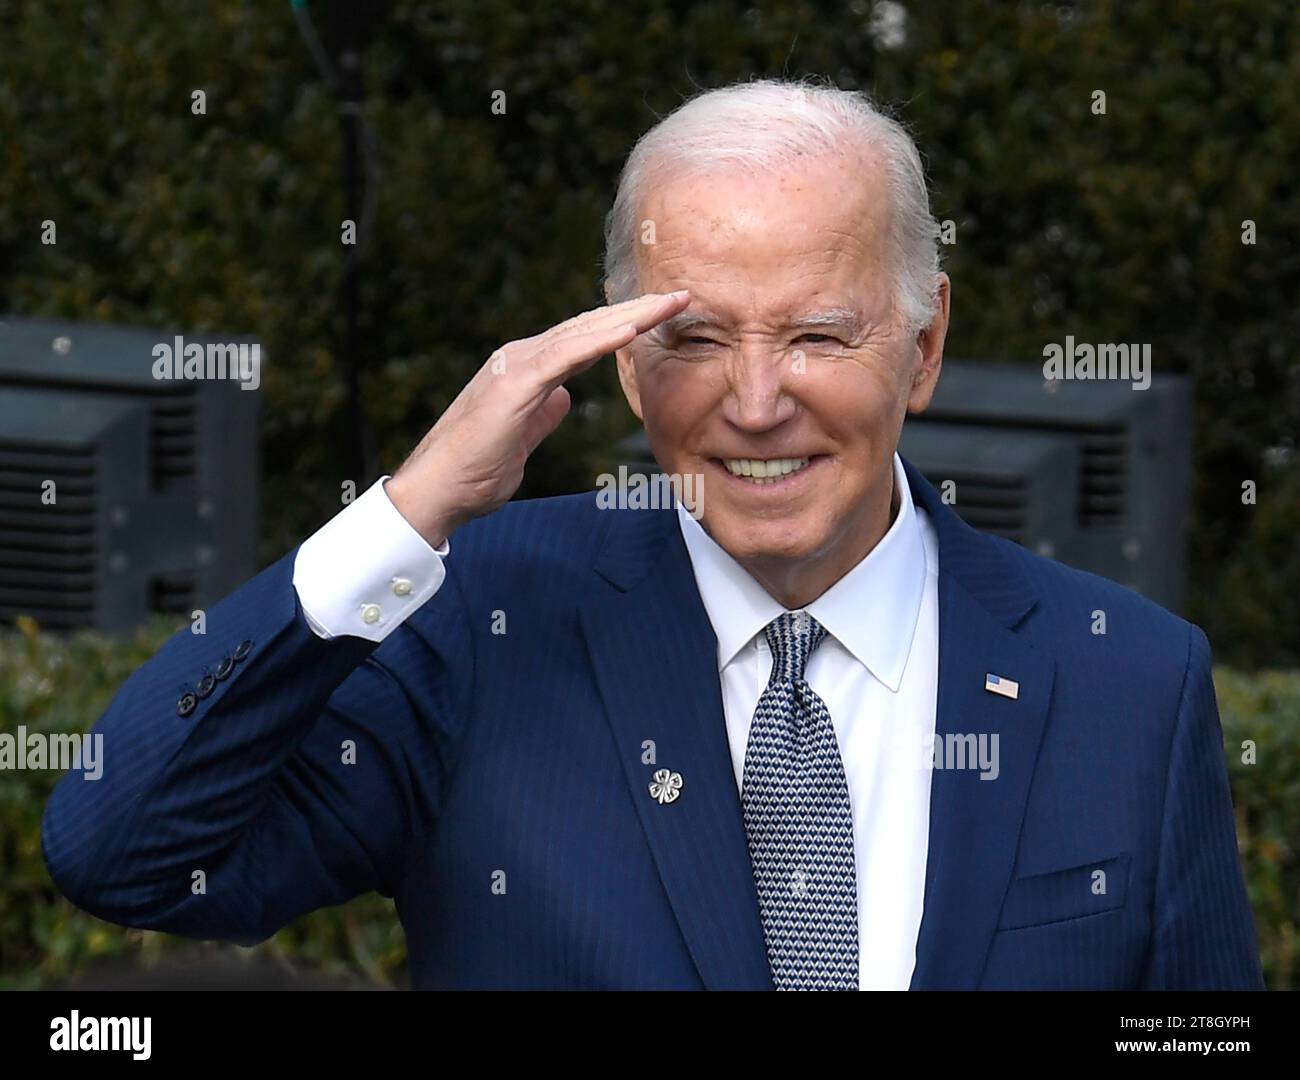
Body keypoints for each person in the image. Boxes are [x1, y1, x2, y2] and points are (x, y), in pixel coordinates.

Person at [42, 78, 1262, 990]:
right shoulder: (481, 616)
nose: (753, 400)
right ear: (625, 364)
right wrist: (407, 512)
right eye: (694, 338)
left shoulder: (1127, 678)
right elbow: (124, 853)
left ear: (925, 344)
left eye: (817, 337)